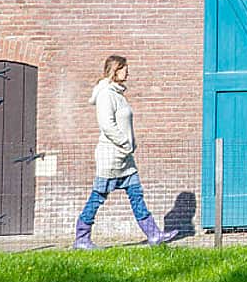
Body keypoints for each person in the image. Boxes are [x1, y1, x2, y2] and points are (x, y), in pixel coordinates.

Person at [72, 55, 177, 249]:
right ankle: (81, 238)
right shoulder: (106, 94)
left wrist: (129, 147)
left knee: (136, 194)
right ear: (114, 70)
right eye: (124, 68)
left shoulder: (118, 93)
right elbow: (107, 125)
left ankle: (153, 234)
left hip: (125, 158)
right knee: (98, 197)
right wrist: (125, 144)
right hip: (111, 157)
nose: (127, 72)